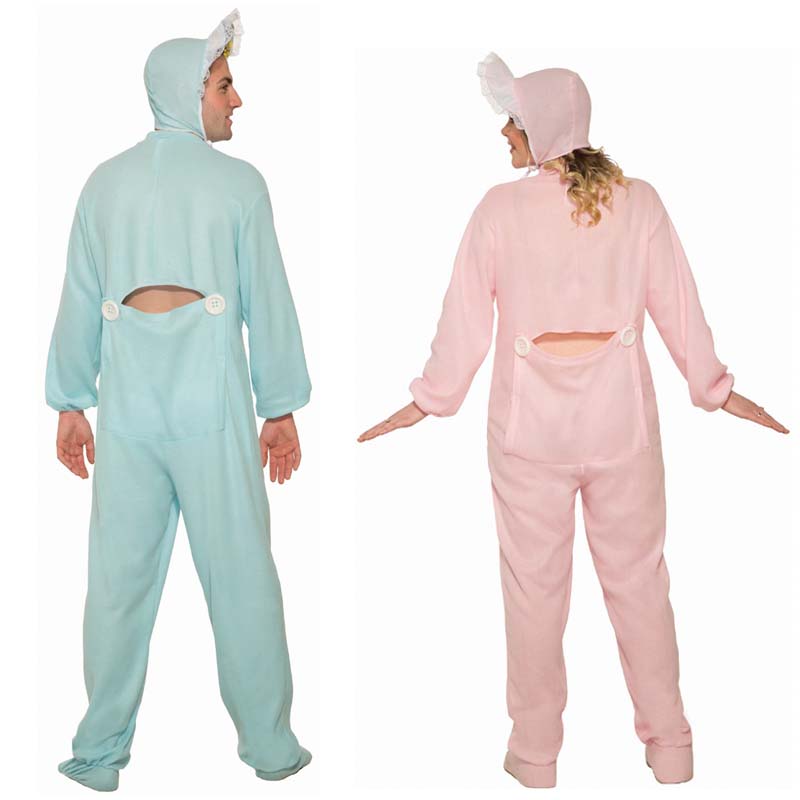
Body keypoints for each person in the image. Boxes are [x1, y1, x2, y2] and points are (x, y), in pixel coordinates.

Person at [357, 52, 789, 788]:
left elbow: (464, 320)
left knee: (533, 592)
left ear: (543, 125)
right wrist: (712, 386)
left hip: (528, 433)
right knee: (640, 582)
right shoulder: (638, 201)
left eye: (514, 120)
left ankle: (535, 756)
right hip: (622, 426)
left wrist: (431, 397)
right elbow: (680, 305)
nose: (504, 132)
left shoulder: (499, 210)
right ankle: (672, 747)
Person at [45, 8, 312, 790]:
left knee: (116, 589)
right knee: (242, 579)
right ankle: (270, 748)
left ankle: (98, 753)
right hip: (212, 411)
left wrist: (71, 401)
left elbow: (80, 295)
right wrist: (280, 406)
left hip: (128, 414)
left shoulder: (104, 184)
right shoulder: (239, 185)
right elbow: (269, 301)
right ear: (185, 91)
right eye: (224, 85)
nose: (237, 99)